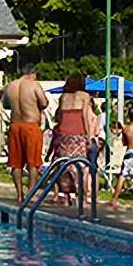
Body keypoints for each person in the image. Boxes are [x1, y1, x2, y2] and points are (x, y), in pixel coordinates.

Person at [1, 64, 52, 201]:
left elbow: (5, 104)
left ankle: (19, 194)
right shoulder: (34, 85)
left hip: (15, 125)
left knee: (15, 163)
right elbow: (44, 102)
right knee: (33, 162)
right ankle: (31, 193)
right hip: (30, 126)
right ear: (33, 74)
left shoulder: (10, 86)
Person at [50, 71, 97, 205]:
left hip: (63, 133)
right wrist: (88, 136)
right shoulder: (84, 96)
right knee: (79, 166)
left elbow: (59, 116)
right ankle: (80, 196)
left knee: (63, 165)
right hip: (78, 133)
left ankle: (65, 196)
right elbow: (84, 117)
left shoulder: (63, 97)